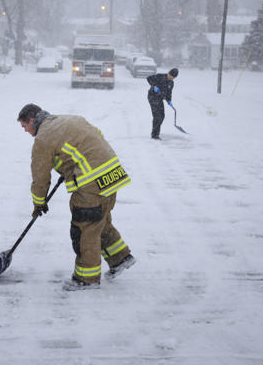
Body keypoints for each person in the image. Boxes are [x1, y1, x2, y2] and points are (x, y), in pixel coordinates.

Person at [17, 103, 135, 290]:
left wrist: (39, 202)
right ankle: (120, 258)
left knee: (84, 228)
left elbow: (40, 176)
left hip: (91, 182)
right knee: (99, 220)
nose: (25, 131)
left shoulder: (43, 138)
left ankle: (86, 279)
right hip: (113, 174)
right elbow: (94, 139)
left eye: (24, 126)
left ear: (32, 120)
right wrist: (71, 166)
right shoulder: (70, 119)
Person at [146, 68, 179, 139]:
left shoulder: (171, 83)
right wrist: (154, 86)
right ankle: (155, 135)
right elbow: (149, 78)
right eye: (171, 76)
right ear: (169, 73)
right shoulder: (160, 76)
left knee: (162, 116)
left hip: (160, 99)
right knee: (157, 116)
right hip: (153, 97)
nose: (171, 78)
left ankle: (155, 131)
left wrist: (169, 100)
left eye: (173, 77)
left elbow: (169, 93)